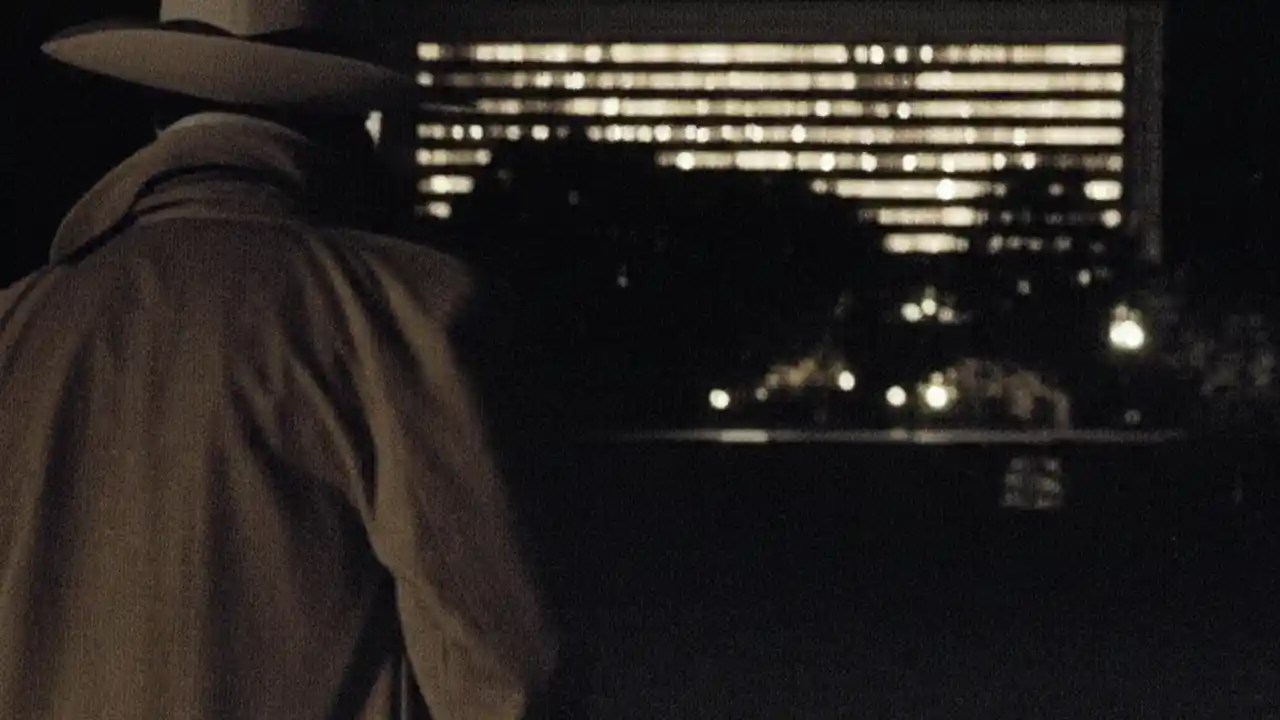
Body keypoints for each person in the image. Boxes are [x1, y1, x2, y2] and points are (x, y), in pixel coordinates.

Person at [0, 1, 558, 718]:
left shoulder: (19, 321)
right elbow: (498, 673)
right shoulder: (398, 315)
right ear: (347, 122)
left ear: (154, 104)